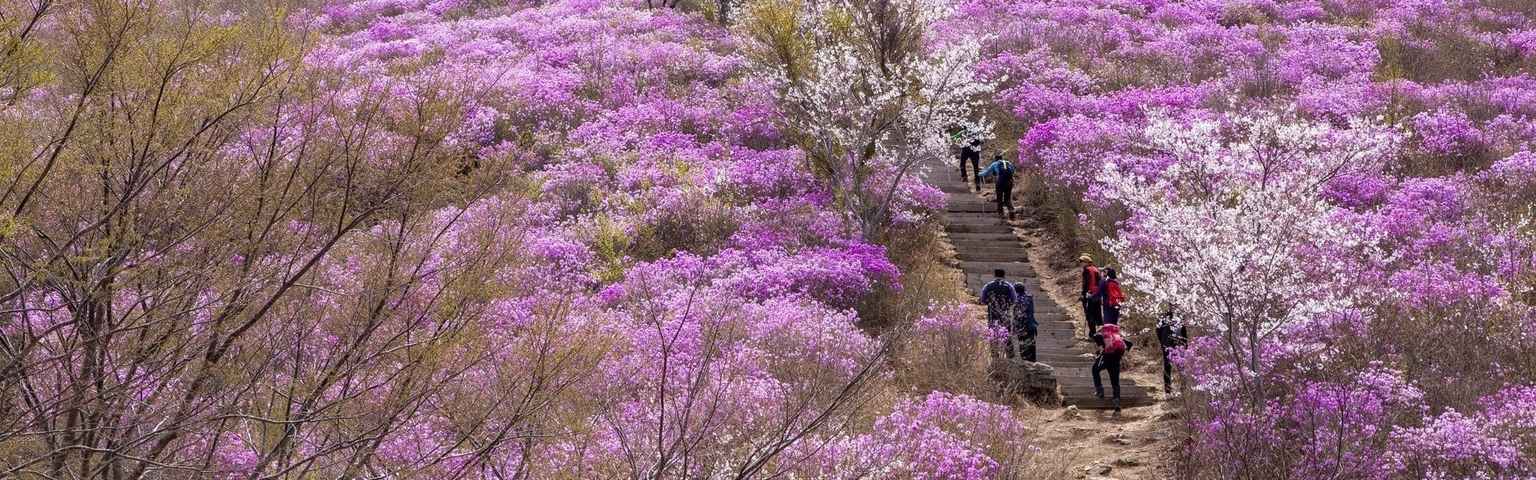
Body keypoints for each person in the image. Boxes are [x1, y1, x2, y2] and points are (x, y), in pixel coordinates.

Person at [1092, 323, 1133, 413]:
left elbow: (1095, 336)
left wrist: (1099, 333)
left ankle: (1100, 391)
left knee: (1095, 369)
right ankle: (1117, 402)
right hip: (1116, 359)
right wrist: (1124, 352)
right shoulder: (1119, 337)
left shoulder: (1103, 335)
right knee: (1115, 382)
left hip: (1106, 357)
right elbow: (1130, 344)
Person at [978, 269, 1017, 355]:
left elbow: (983, 300)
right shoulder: (1009, 286)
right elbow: (1014, 300)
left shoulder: (988, 286)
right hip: (1005, 316)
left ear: (994, 275)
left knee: (993, 337)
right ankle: (1010, 358)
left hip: (992, 315)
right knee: (1007, 337)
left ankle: (995, 358)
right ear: (1004, 276)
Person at [1156, 304, 1189, 394]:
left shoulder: (1178, 317)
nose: (1175, 307)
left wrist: (1185, 344)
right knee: (1169, 367)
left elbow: (1183, 331)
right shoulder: (1164, 318)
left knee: (1180, 367)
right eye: (1173, 305)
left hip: (1178, 345)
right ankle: (1168, 391)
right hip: (1169, 345)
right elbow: (1158, 331)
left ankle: (1183, 389)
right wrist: (1163, 342)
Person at [977, 153, 1016, 218]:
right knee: (1007, 199)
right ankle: (1011, 211)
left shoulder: (995, 164)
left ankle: (1001, 214)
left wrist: (978, 174)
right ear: (1002, 158)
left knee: (999, 198)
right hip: (1009, 182)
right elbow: (1013, 171)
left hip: (1000, 182)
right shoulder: (1008, 163)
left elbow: (986, 172)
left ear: (995, 159)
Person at [1011, 281, 1038, 362]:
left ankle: (1026, 362)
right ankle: (1033, 362)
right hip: (1031, 325)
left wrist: (1015, 327)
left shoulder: (1017, 300)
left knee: (1023, 345)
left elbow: (1019, 315)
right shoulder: (1029, 298)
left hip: (1022, 326)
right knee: (1031, 345)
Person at [1078, 254, 1103, 336]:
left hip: (1089, 295)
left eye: (1081, 261)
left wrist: (1083, 294)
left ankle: (1092, 333)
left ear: (1086, 262)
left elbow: (1086, 284)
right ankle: (1095, 333)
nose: (1080, 263)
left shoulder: (1086, 270)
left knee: (1089, 314)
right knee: (1097, 313)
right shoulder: (1096, 270)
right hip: (1097, 295)